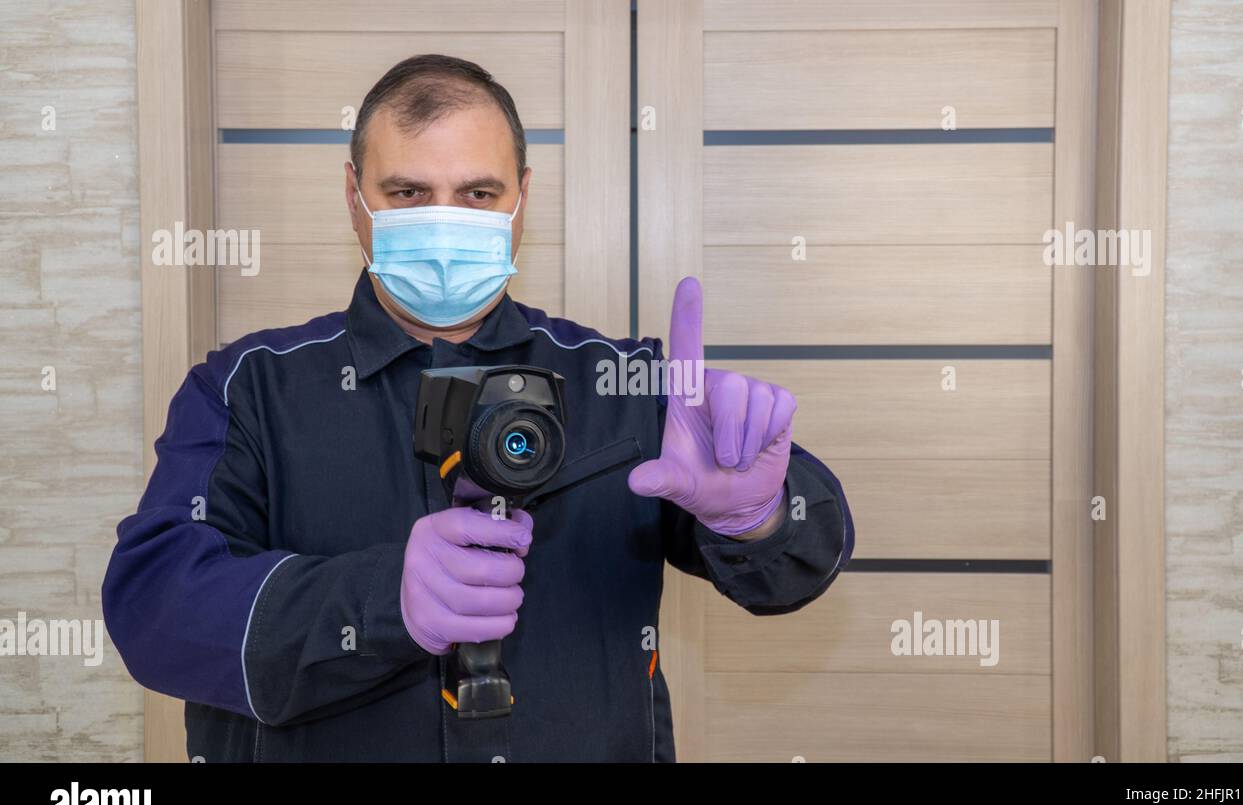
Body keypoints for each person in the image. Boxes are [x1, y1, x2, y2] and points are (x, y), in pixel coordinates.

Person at [103, 54, 854, 762]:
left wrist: (757, 516)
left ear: (521, 196)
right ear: (353, 194)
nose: (443, 220)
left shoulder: (626, 385)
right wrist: (380, 599)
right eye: (407, 193)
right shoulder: (249, 387)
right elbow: (155, 610)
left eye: (477, 194)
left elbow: (797, 572)